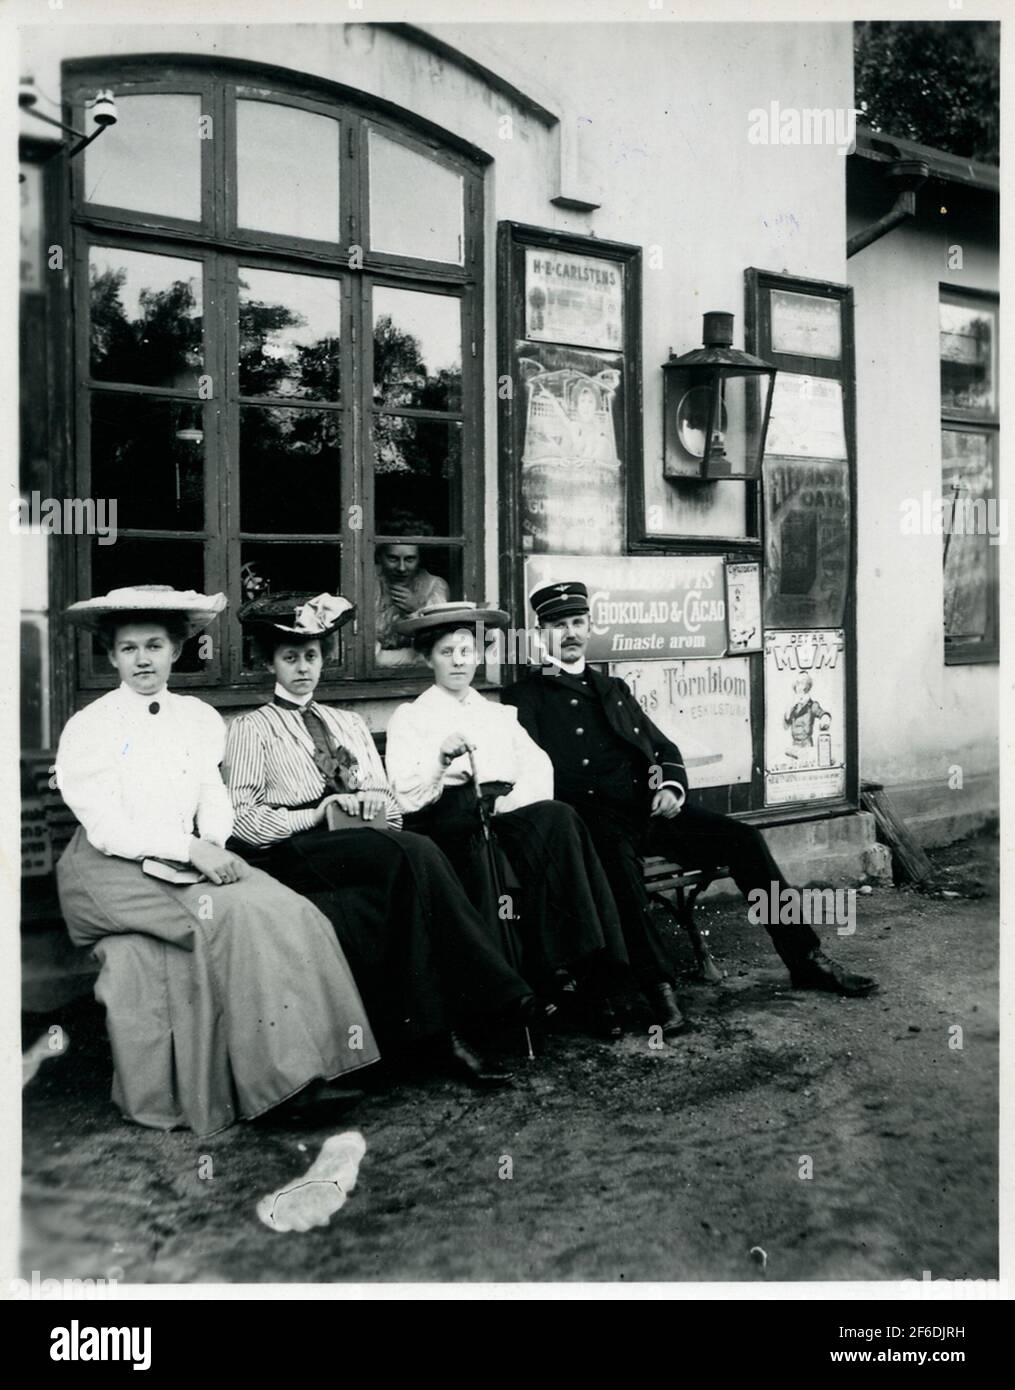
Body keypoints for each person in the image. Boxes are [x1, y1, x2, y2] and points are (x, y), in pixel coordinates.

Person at [54, 585, 380, 1138]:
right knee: (235, 919)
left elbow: (212, 792)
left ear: (176, 651)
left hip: (190, 857)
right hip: (111, 869)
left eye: (154, 646)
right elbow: (107, 827)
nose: (143, 660)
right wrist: (192, 852)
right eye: (129, 649)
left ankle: (322, 1063)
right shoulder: (92, 726)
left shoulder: (197, 717)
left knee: (289, 910)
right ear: (110, 656)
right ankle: (280, 1088)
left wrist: (216, 843)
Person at [501, 580, 878, 1032]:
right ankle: (658, 988)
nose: (570, 633)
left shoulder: (613, 687)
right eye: (559, 625)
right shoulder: (526, 696)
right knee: (621, 874)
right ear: (539, 632)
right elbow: (528, 771)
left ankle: (806, 957)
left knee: (743, 839)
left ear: (589, 626)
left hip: (648, 811)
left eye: (578, 622)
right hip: (590, 822)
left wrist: (672, 789)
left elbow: (662, 746)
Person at [224, 591, 546, 1088]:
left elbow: (392, 808)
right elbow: (241, 819)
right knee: (418, 851)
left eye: (311, 656)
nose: (303, 669)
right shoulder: (251, 729)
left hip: (365, 845)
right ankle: (497, 991)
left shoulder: (348, 724)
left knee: (405, 868)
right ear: (271, 664)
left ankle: (438, 1037)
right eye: (290, 658)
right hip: (295, 849)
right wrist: (317, 813)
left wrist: (373, 805)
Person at [384, 601, 631, 1035]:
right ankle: (515, 992)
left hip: (502, 811)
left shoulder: (496, 713)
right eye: (446, 653)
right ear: (428, 659)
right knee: (486, 848)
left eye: (466, 651)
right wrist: (440, 762)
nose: (458, 661)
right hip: (447, 821)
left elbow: (537, 767)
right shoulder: (413, 718)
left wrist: (510, 805)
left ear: (479, 655)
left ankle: (590, 975)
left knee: (559, 820)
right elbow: (405, 794)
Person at [375, 541, 449, 666]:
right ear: (379, 557)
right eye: (393, 559)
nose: (401, 568)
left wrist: (417, 609)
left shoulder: (434, 585)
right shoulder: (368, 581)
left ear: (419, 559)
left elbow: (438, 643)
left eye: (410, 559)